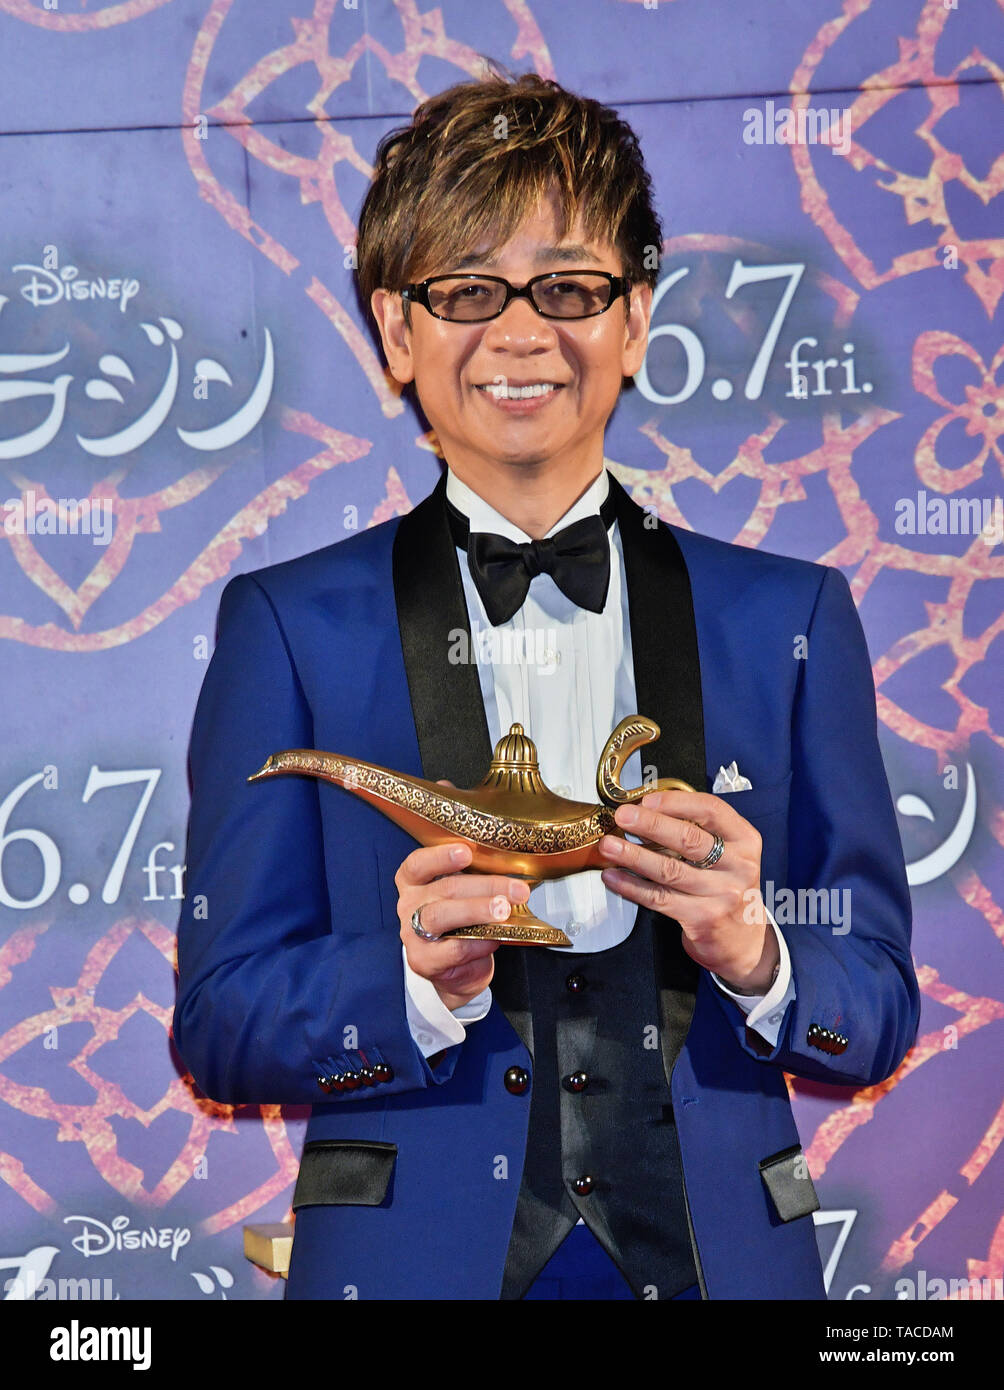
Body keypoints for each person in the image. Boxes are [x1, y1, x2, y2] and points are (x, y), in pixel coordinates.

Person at [172, 67, 920, 1300]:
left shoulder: (787, 616)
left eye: (567, 287)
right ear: (397, 329)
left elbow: (876, 1008)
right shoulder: (287, 626)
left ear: (632, 318)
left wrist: (757, 950)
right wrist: (407, 977)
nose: (520, 332)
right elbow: (220, 1026)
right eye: (466, 288)